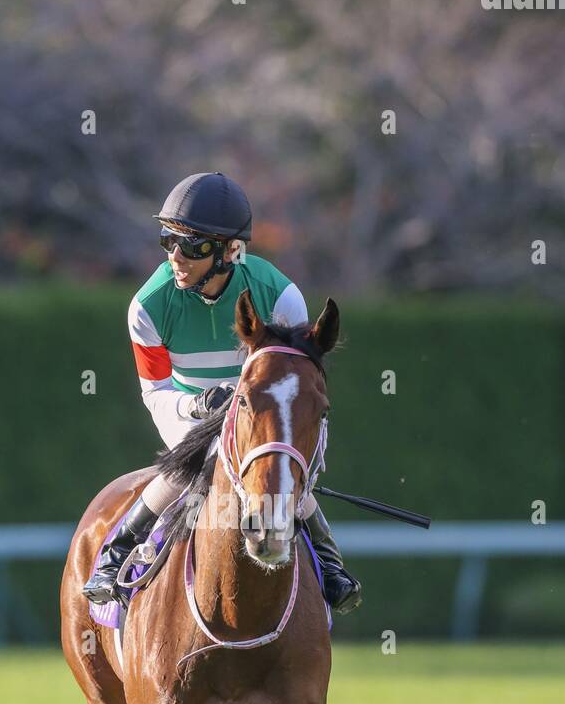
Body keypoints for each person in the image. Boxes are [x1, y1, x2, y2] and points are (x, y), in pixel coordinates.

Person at [83, 171, 361, 614]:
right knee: (180, 474)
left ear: (231, 251)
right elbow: (154, 391)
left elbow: (293, 385)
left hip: (261, 419)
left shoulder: (281, 296)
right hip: (189, 418)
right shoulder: (148, 307)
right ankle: (115, 553)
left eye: (192, 246)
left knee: (281, 479)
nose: (176, 256)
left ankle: (330, 562)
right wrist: (196, 408)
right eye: (168, 241)